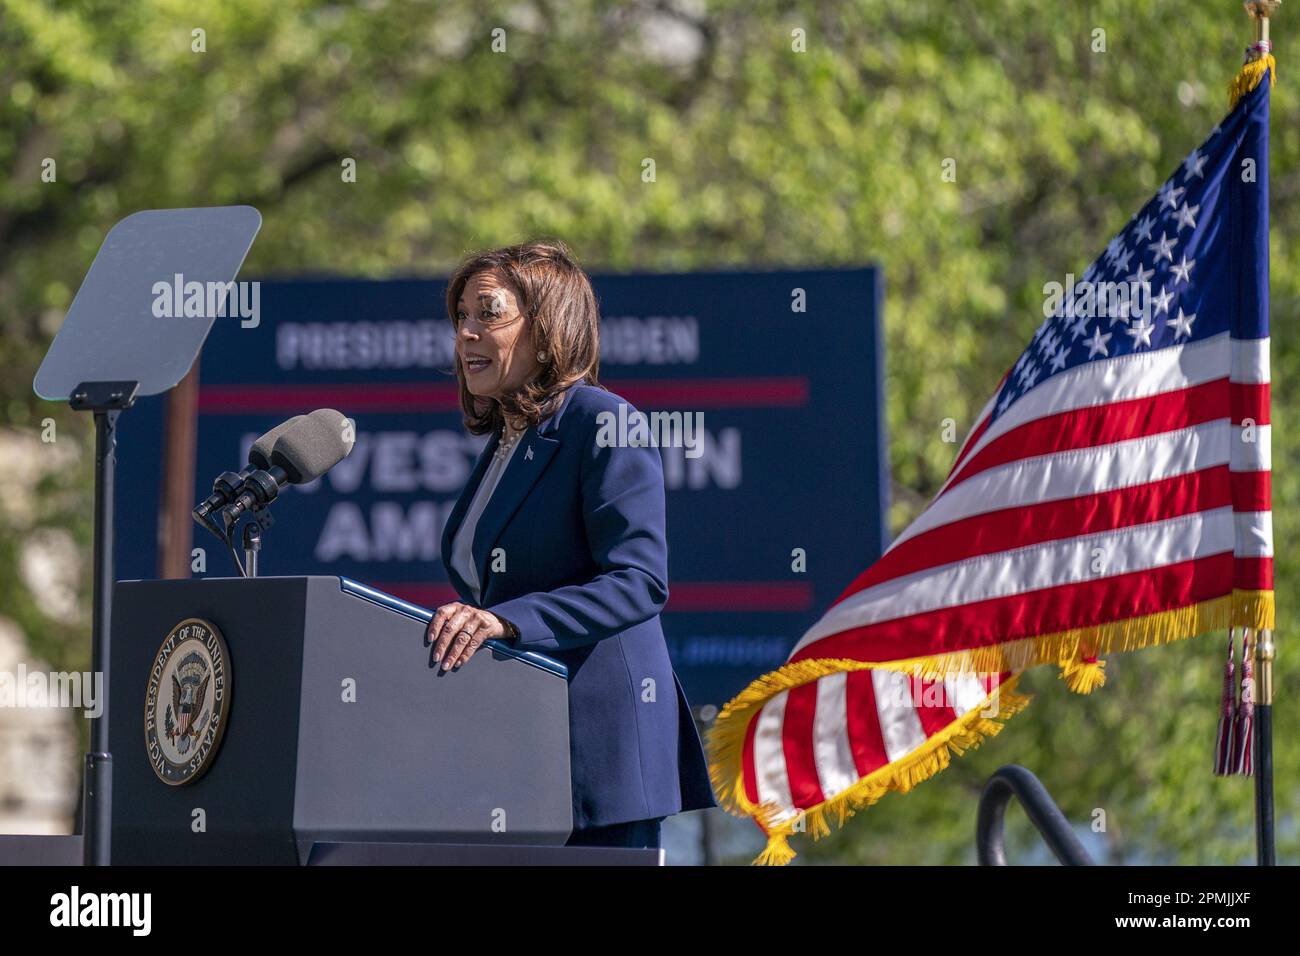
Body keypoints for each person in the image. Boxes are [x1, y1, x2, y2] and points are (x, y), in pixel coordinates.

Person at [426, 238, 717, 849]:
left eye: (489, 312)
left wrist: (504, 623)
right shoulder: (506, 444)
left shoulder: (601, 420)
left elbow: (639, 581)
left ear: (549, 325)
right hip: (520, 750)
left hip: (599, 752)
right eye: (461, 317)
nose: (467, 333)